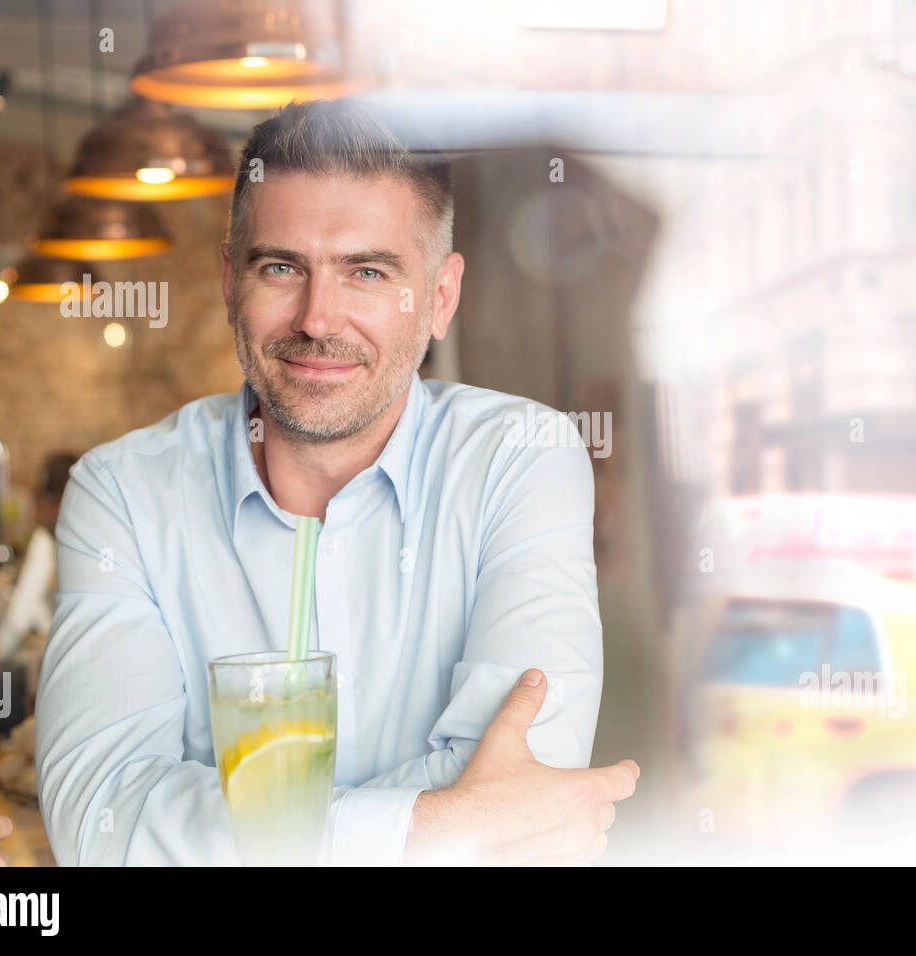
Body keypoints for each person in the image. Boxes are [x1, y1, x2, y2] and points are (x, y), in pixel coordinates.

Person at [35, 100, 638, 866]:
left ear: (441, 297)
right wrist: (436, 828)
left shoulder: (523, 456)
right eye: (281, 267)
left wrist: (219, 831)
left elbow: (523, 795)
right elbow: (100, 820)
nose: (319, 319)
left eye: (368, 272)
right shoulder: (122, 493)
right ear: (231, 283)